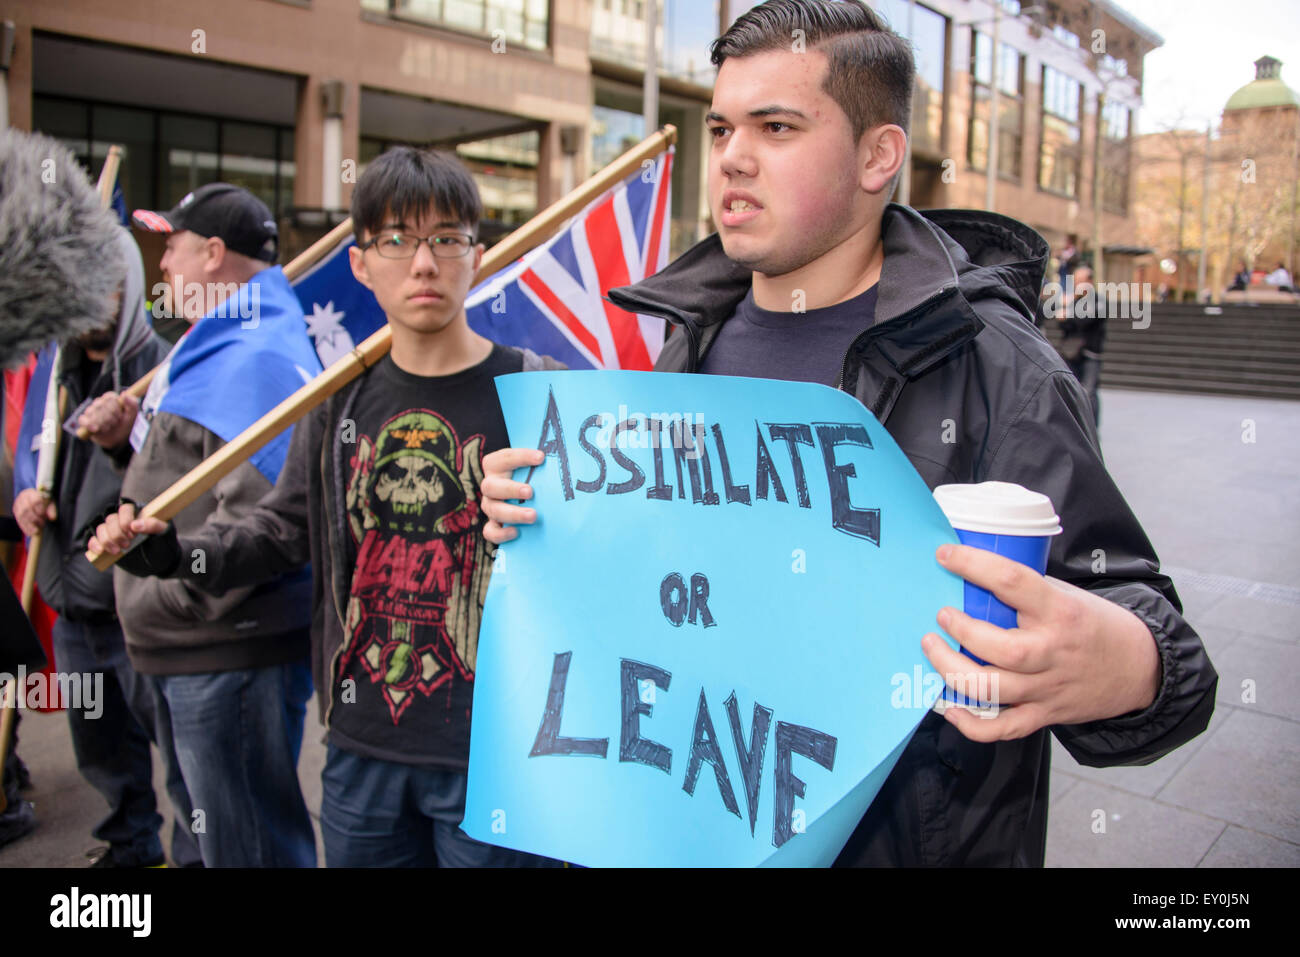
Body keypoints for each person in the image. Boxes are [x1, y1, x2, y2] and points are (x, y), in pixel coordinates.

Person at [479, 0, 1217, 867]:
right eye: (720, 129)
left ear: (879, 157)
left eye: (777, 126)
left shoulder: (994, 368)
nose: (732, 159)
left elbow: (1163, 648)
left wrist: (1127, 661)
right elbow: (654, 602)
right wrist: (546, 524)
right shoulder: (683, 346)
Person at [91, 148, 564, 867]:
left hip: (497, 755)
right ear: (361, 262)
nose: (425, 263)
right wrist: (176, 552)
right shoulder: (335, 401)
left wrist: (548, 512)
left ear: (480, 253)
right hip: (359, 751)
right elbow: (282, 532)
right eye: (397, 240)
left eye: (447, 238)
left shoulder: (540, 394)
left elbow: (600, 551)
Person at [87, 183, 318, 867]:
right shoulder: (214, 346)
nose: (162, 267)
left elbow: (261, 522)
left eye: (173, 248)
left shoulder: (259, 357)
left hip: (220, 654)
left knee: (246, 849)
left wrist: (159, 596)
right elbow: (183, 477)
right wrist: (121, 443)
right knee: (208, 843)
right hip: (192, 650)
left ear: (214, 253)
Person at [10, 229, 200, 868]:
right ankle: (131, 847)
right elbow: (29, 463)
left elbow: (178, 483)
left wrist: (121, 444)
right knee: (100, 746)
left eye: (101, 286)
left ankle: (193, 854)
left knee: (178, 751)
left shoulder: (166, 369)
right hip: (71, 601)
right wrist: (22, 500)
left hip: (136, 602)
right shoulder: (55, 374)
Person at [1057, 264, 1105, 427]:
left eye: (1080, 280)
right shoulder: (1074, 301)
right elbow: (1063, 325)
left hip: (1090, 353)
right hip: (1071, 353)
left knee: (1089, 392)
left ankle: (1092, 428)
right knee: (1070, 391)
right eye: (1076, 281)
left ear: (1090, 281)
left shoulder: (1098, 301)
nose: (1077, 284)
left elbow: (1085, 320)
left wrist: (1069, 316)